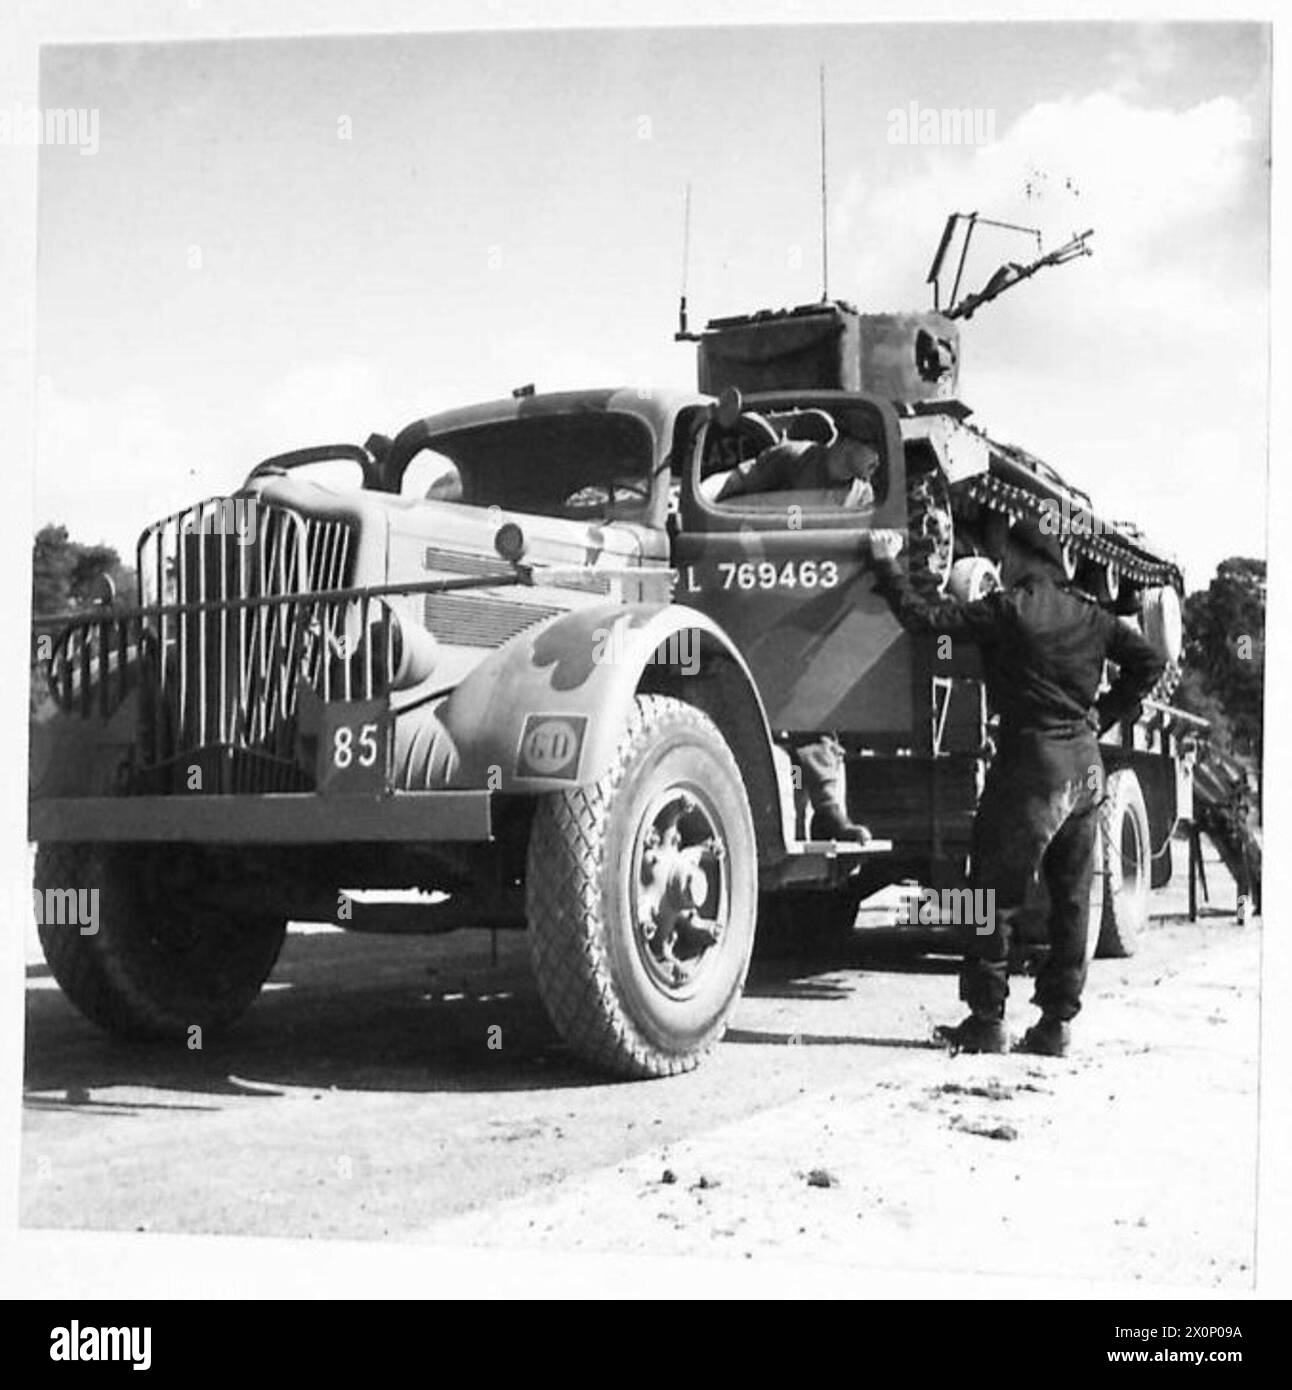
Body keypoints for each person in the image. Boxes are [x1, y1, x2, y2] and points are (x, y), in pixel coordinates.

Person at [868, 521, 1165, 1056]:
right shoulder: (1095, 618)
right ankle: (1056, 1026)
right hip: (1085, 765)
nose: (1000, 565)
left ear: (1026, 558)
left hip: (1031, 765)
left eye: (1005, 557)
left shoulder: (1010, 608)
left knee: (990, 891)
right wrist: (1104, 712)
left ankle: (986, 1018)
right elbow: (1150, 661)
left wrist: (887, 564)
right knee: (1071, 896)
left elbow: (925, 622)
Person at [715, 434, 879, 509]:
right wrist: (696, 502)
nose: (879, 462)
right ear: (849, 441)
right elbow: (734, 480)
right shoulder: (795, 456)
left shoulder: (863, 496)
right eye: (876, 449)